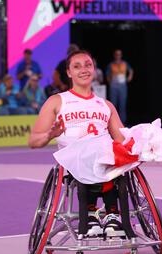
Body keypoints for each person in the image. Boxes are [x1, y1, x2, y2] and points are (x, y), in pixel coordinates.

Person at [28, 50, 129, 239]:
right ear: (68, 73)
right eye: (77, 66)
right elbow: (33, 141)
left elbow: (123, 140)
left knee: (111, 153)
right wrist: (50, 134)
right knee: (95, 152)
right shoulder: (57, 101)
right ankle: (93, 211)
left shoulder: (106, 105)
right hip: (76, 160)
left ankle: (112, 214)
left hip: (105, 158)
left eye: (88, 65)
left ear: (94, 69)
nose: (84, 69)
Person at [106, 49, 133, 124]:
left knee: (122, 104)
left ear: (121, 55)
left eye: (119, 54)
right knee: (113, 104)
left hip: (122, 86)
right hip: (114, 86)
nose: (118, 56)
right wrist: (110, 82)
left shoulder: (125, 63)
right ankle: (113, 123)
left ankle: (122, 122)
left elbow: (130, 70)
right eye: (117, 54)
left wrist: (129, 78)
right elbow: (107, 74)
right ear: (114, 55)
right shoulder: (111, 64)